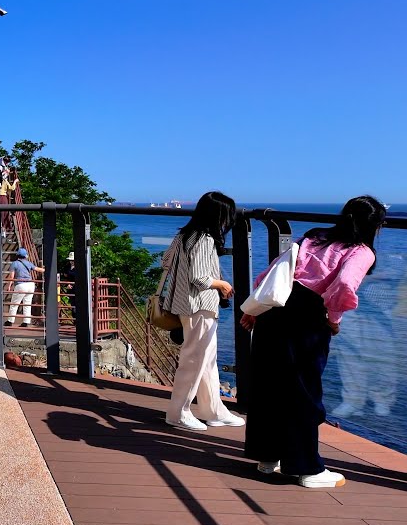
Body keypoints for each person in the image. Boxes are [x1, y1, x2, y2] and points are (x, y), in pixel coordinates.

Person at [243, 195, 386, 489]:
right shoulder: (361, 251)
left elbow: (274, 271)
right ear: (375, 226)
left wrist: (256, 309)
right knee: (304, 391)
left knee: (269, 386)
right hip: (306, 317)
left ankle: (267, 458)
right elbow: (345, 284)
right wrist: (334, 319)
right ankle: (307, 468)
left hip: (275, 310)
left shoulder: (314, 236)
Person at [162, 191, 244, 432]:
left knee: (206, 359)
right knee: (195, 359)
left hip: (184, 304)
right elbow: (200, 278)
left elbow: (165, 261)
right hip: (199, 305)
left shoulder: (184, 235)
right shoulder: (205, 239)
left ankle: (214, 411)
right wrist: (223, 284)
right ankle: (178, 412)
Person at [5, 248, 43, 326]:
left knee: (14, 303)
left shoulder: (14, 263)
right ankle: (26, 322)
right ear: (25, 256)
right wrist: (48, 270)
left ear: (17, 255)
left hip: (20, 285)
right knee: (27, 304)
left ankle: (10, 321)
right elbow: (37, 269)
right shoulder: (28, 263)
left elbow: (11, 276)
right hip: (30, 284)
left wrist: (9, 285)